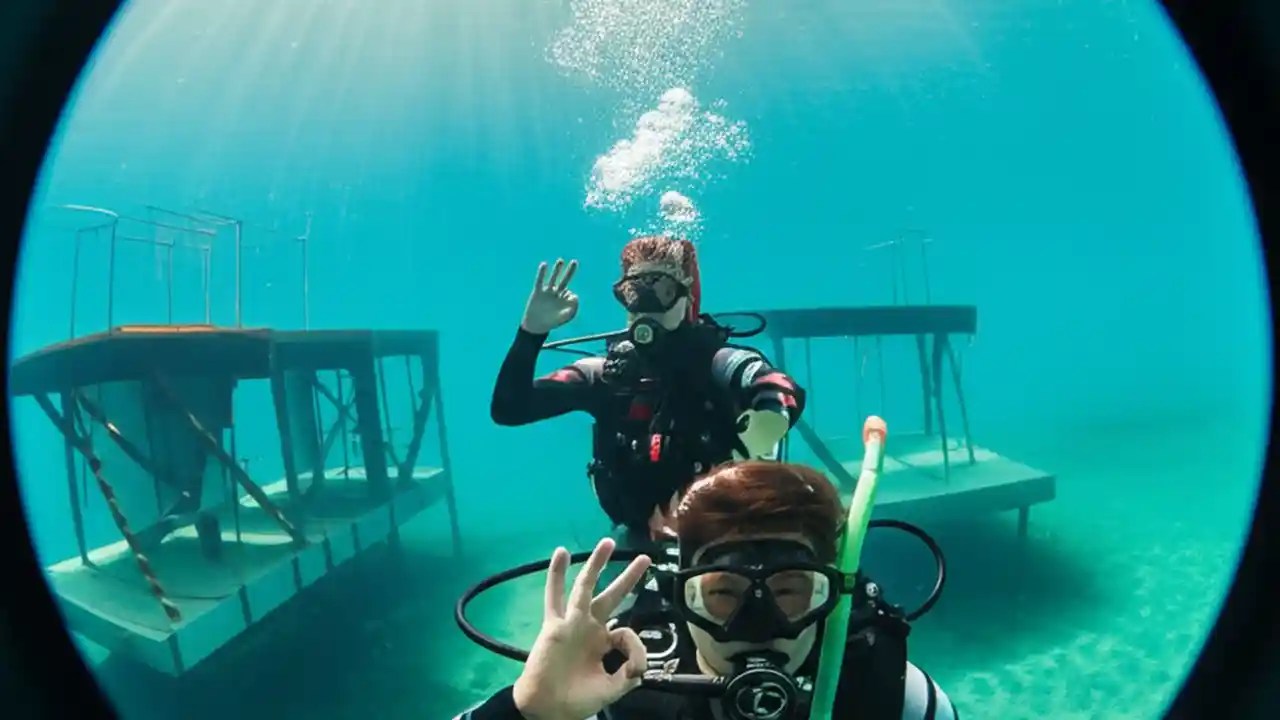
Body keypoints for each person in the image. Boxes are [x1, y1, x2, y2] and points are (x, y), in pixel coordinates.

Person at [453, 460, 958, 720]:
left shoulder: (895, 699)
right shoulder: (618, 697)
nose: (759, 628)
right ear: (680, 598)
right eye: (722, 593)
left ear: (834, 599)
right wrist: (525, 711)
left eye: (789, 592)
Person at [491, 236, 807, 547]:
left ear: (688, 298)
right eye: (634, 293)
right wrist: (531, 333)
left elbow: (777, 386)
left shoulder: (717, 362)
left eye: (662, 291)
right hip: (638, 542)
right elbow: (510, 408)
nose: (647, 307)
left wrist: (763, 429)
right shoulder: (605, 376)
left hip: (727, 537)